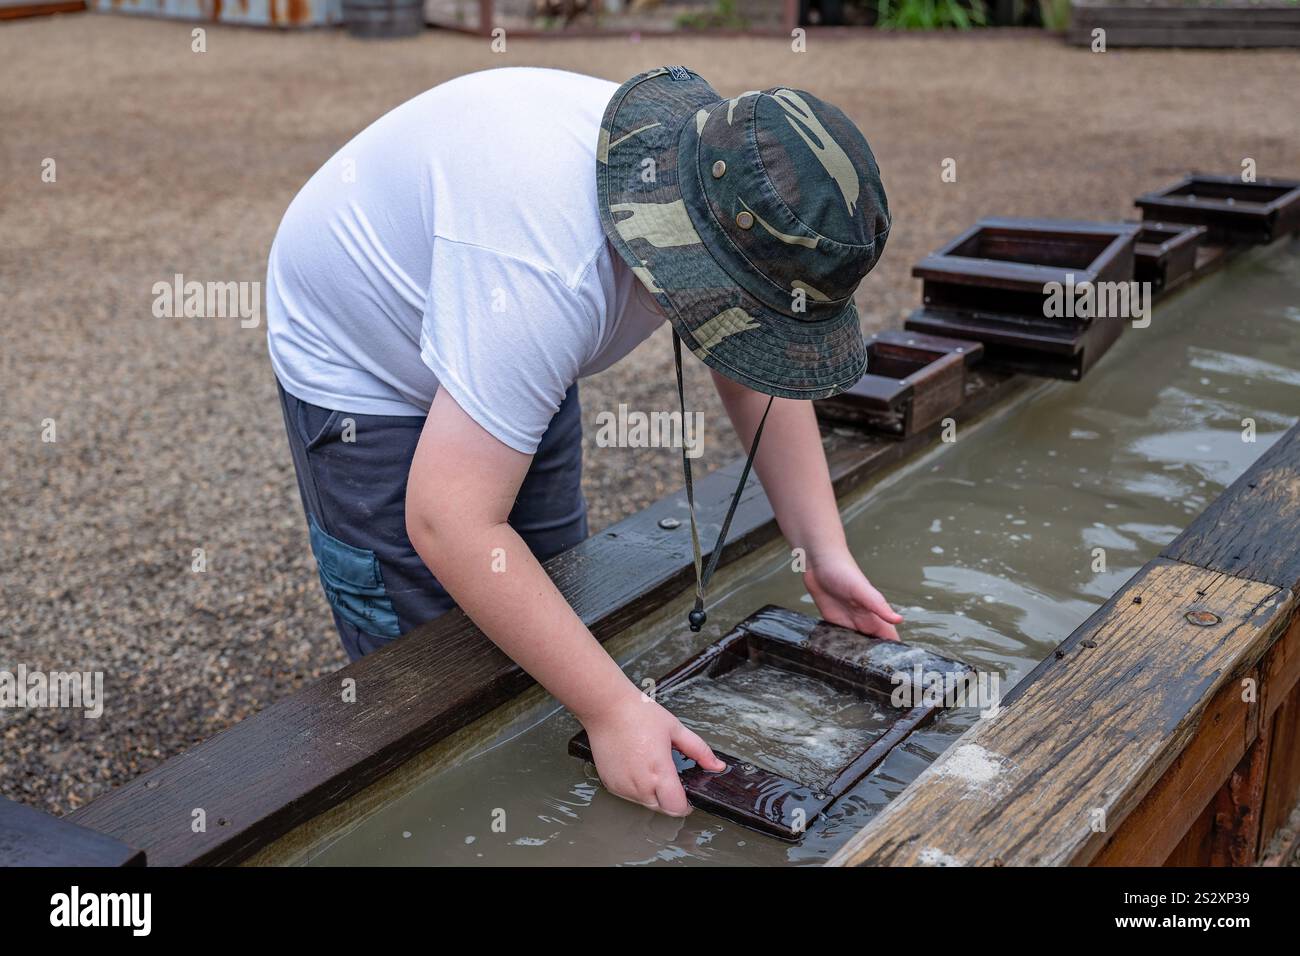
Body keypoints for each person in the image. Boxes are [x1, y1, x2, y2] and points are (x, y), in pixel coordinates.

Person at [266, 65, 900, 817]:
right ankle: (460, 815)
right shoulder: (545, 279)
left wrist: (821, 550)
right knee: (429, 666)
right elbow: (447, 520)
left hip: (496, 310)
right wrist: (612, 711)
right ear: (692, 260)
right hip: (361, 360)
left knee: (553, 594)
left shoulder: (713, 182)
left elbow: (755, 352)